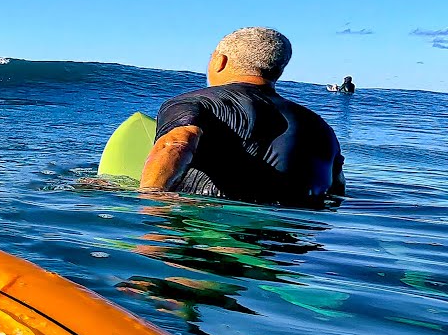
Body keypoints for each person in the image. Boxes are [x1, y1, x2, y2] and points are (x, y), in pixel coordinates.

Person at [140, 27, 344, 206]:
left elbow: (177, 144)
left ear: (220, 61)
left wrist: (150, 201)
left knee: (109, 186)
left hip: (212, 229)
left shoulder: (196, 103)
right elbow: (337, 189)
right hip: (289, 241)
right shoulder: (321, 128)